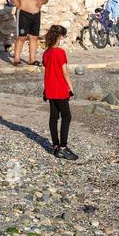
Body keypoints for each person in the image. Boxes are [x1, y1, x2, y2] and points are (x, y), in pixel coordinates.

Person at [41, 24, 77, 160]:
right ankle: (63, 147)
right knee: (66, 117)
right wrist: (71, 87)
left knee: (53, 117)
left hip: (49, 89)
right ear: (59, 37)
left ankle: (55, 146)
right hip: (60, 89)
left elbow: (48, 70)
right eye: (62, 36)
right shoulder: (60, 52)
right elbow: (65, 72)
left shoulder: (46, 53)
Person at [5, 0, 48, 67]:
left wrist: (42, 1)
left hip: (36, 15)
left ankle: (32, 60)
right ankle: (16, 59)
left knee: (34, 37)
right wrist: (15, 1)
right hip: (24, 13)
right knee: (22, 37)